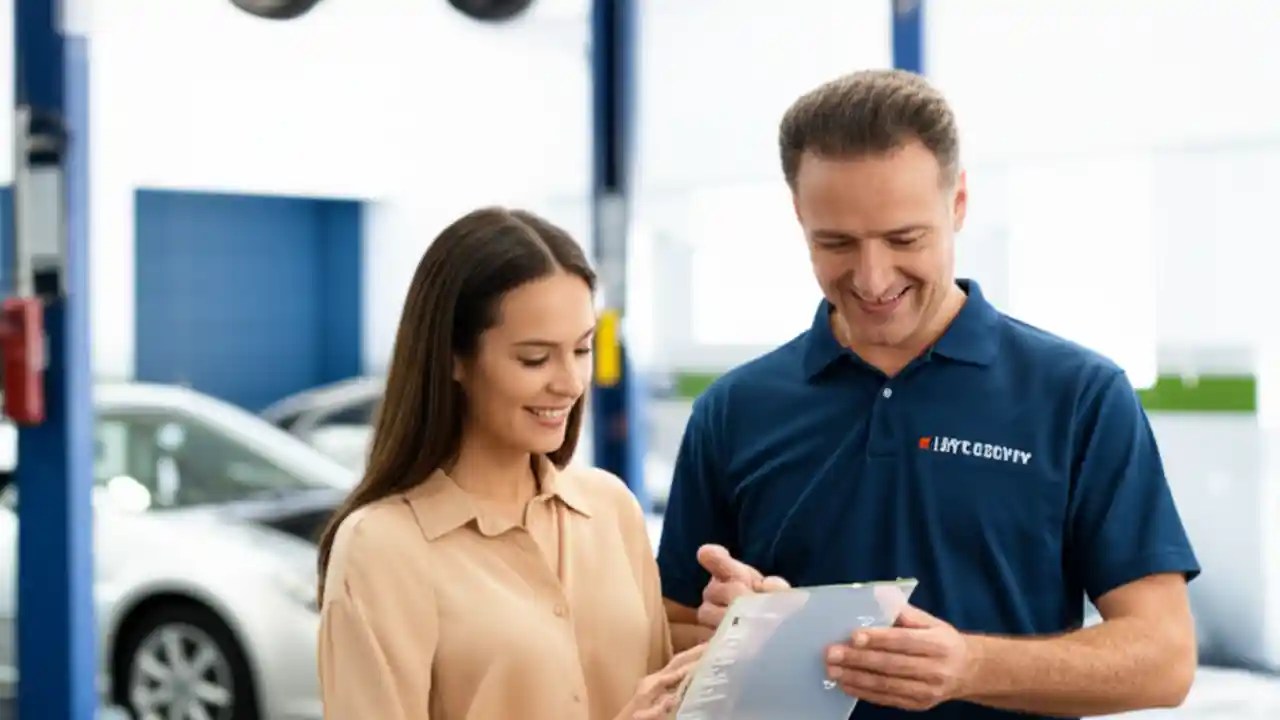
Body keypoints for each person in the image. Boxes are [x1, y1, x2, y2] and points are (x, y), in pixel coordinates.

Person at [656, 68, 1201, 720]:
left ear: (959, 203)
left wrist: (971, 666)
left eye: (904, 239)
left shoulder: (1079, 397)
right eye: (836, 243)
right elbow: (670, 631)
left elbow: (1163, 658)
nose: (873, 276)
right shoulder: (734, 411)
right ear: (799, 214)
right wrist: (741, 634)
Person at [316, 207, 704, 720]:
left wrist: (755, 634)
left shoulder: (611, 509)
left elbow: (665, 701)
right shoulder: (382, 547)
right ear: (454, 357)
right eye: (534, 359)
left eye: (582, 349)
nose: (569, 382)